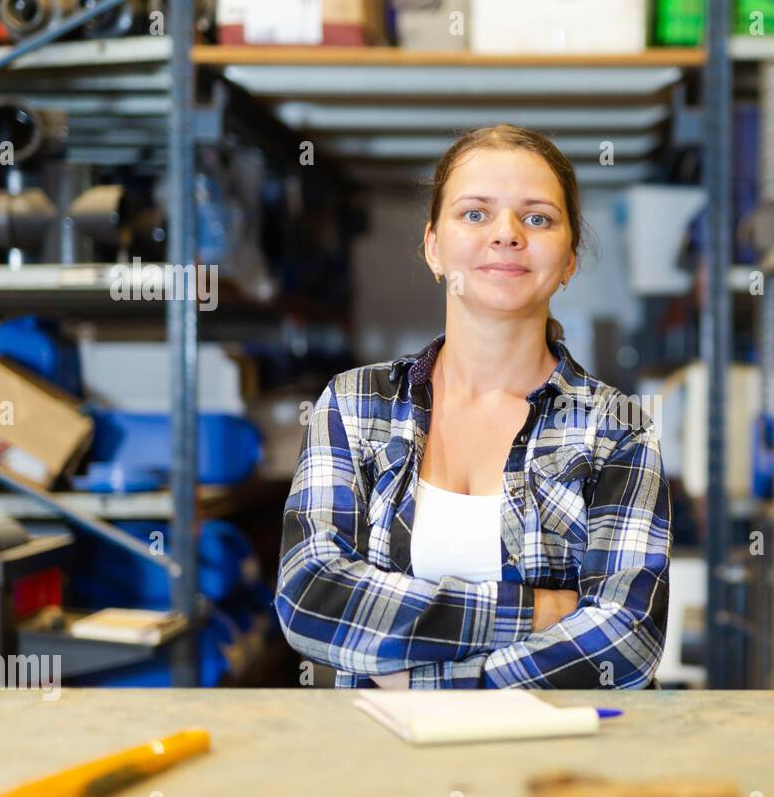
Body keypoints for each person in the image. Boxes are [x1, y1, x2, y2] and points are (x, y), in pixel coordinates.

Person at [275, 123, 672, 689]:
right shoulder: (354, 405)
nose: (507, 234)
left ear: (569, 261)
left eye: (537, 218)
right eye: (475, 214)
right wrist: (539, 612)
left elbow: (627, 639)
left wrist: (432, 684)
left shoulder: (618, 428)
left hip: (560, 760)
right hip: (387, 756)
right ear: (434, 247)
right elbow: (310, 598)